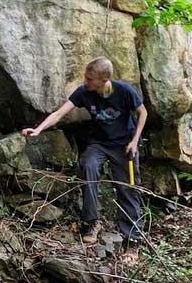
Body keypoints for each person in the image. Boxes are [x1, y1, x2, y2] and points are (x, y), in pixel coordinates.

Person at [21, 57, 148, 245]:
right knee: (88, 165)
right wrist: (38, 129)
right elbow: (59, 113)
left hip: (124, 145)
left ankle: (133, 239)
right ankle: (92, 222)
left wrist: (135, 141)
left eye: (90, 79)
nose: (85, 81)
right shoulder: (84, 93)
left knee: (127, 187)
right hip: (99, 143)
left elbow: (142, 113)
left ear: (104, 80)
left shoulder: (123, 91)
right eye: (85, 77)